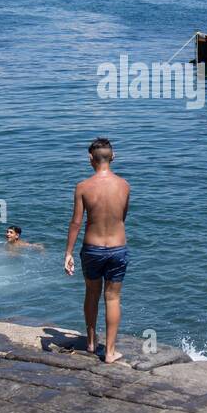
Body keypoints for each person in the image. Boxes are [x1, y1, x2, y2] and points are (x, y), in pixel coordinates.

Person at [64, 137, 130, 364]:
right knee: (112, 298)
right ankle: (110, 352)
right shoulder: (124, 185)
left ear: (90, 159)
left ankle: (91, 342)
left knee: (92, 294)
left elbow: (76, 222)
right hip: (117, 248)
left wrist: (68, 253)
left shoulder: (83, 187)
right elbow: (122, 217)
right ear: (113, 157)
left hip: (92, 249)